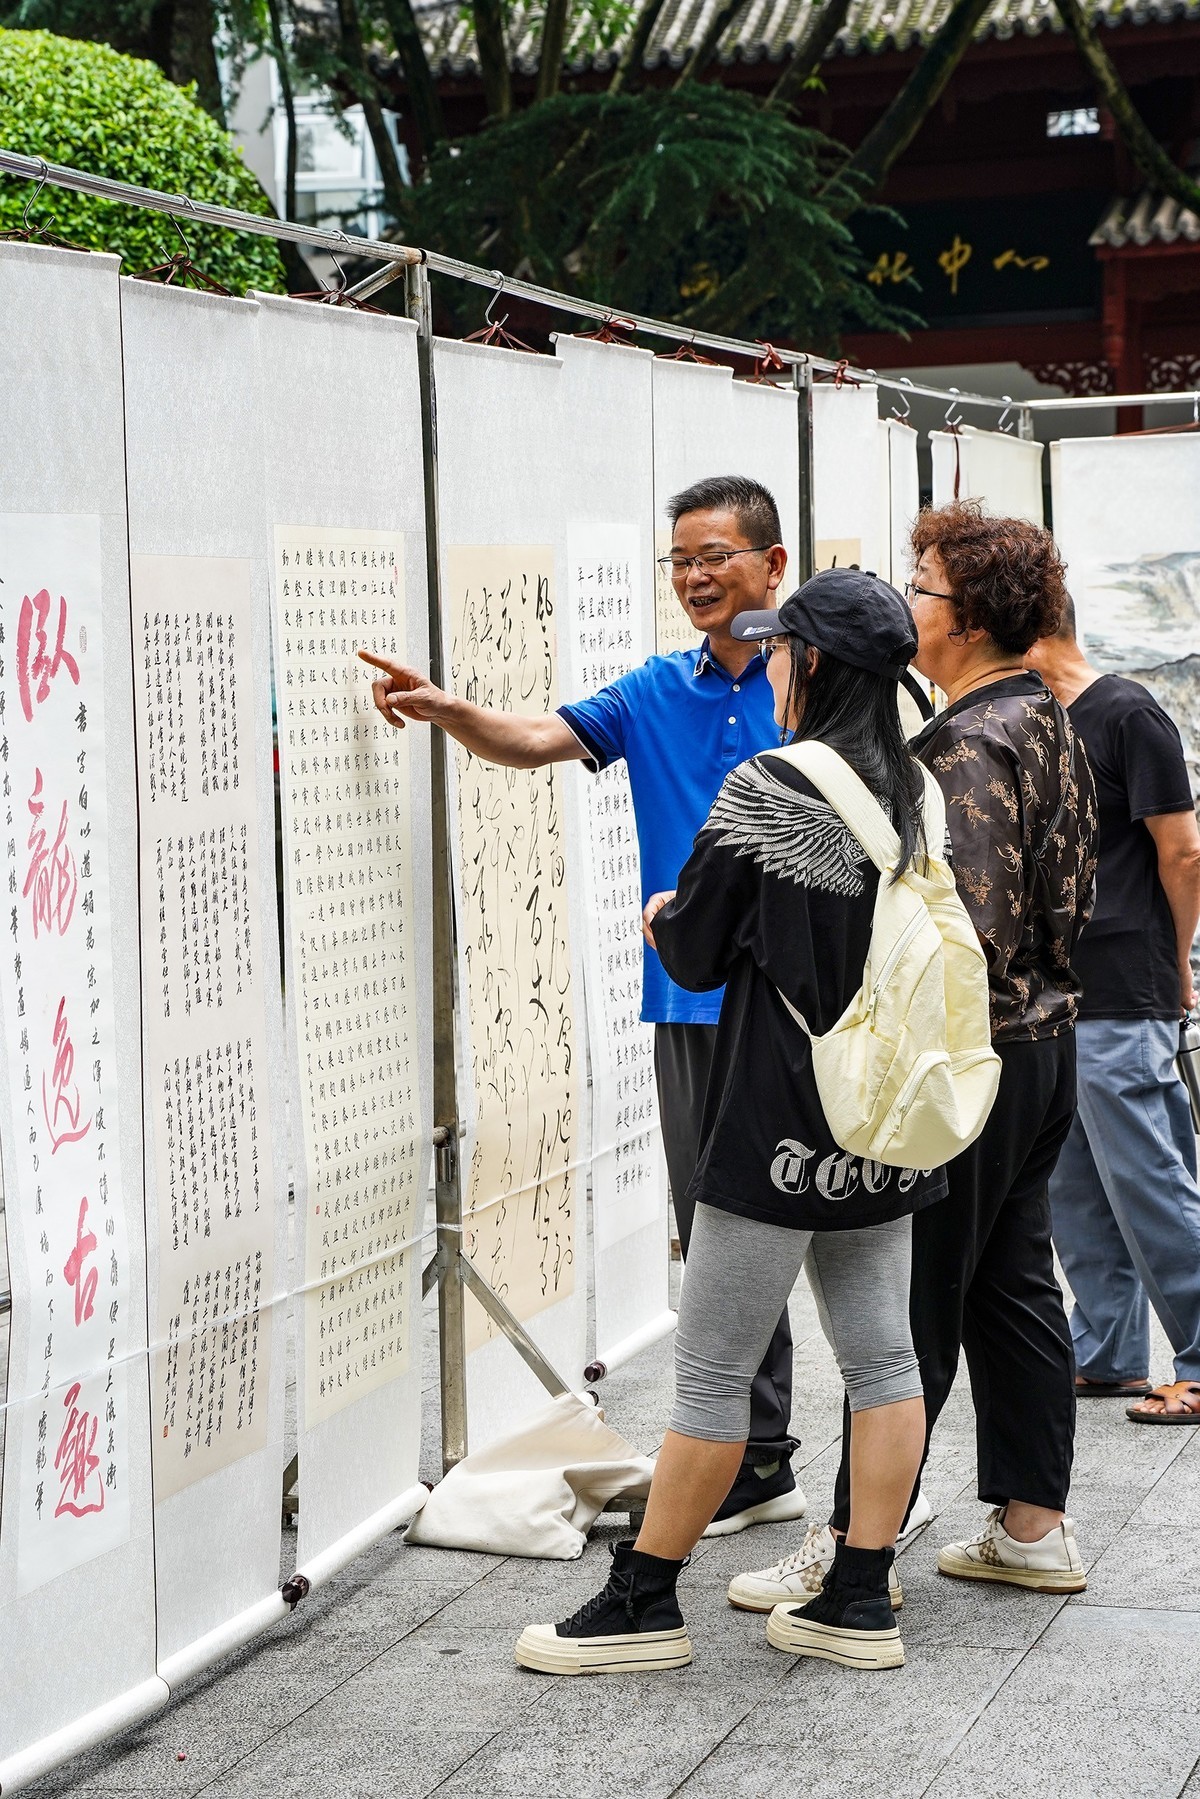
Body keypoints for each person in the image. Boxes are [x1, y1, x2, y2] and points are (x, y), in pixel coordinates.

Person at [513, 569, 946, 1677]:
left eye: (787, 648)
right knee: (883, 1356)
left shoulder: (773, 784)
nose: (776, 664)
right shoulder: (917, 787)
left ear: (814, 662)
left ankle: (643, 1602)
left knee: (710, 1373)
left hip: (773, 1122)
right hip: (884, 1120)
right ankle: (859, 1594)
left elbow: (697, 948)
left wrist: (664, 912)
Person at [360, 476, 806, 1533]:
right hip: (692, 1000)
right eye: (682, 560)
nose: (697, 576)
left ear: (772, 564)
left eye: (718, 556)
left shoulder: (817, 675)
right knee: (714, 1227)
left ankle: (785, 1457)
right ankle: (758, 1452)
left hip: (806, 1000)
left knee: (819, 1228)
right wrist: (449, 708)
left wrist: (790, 646)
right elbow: (531, 739)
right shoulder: (655, 689)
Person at [732, 499, 1099, 1612]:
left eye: (922, 586)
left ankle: (855, 1545)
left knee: (914, 1306)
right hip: (1041, 1046)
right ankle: (1032, 1525)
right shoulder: (1040, 714)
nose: (910, 605)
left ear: (971, 614)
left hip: (970, 1059)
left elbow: (956, 939)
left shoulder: (971, 744)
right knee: (1013, 1285)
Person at [1028, 602, 1200, 1424]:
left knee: (1151, 1180)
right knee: (1076, 1187)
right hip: (1057, 993)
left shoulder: (1127, 711)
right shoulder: (1037, 722)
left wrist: (1175, 967)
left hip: (1126, 987)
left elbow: (1185, 849)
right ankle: (1108, 1353)